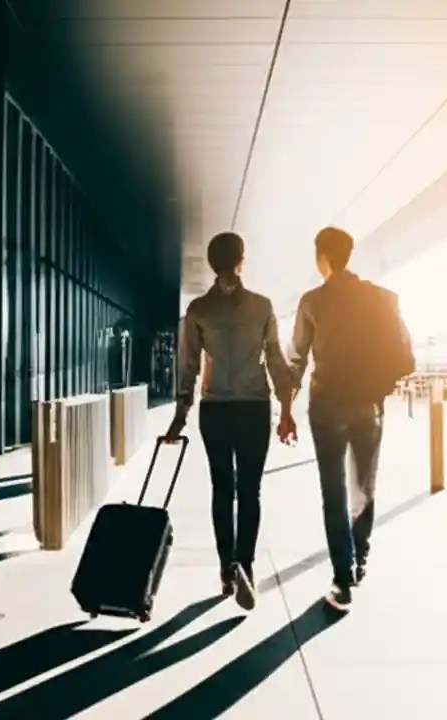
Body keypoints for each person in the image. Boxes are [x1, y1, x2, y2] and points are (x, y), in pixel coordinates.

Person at [282, 226, 414, 612]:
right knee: (363, 484)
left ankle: (342, 577)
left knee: (333, 491)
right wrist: (378, 390)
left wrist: (286, 408)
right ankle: (361, 556)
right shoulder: (383, 299)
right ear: (349, 254)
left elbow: (296, 361)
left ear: (321, 257)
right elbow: (406, 358)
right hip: (367, 406)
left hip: (326, 408)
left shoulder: (312, 302)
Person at [164, 231, 294, 612]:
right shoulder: (262, 306)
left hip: (216, 410)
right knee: (250, 491)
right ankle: (246, 568)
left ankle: (226, 570)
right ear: (242, 259)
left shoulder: (199, 310)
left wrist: (179, 416)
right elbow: (276, 362)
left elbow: (187, 367)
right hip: (254, 408)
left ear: (210, 263)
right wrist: (286, 410)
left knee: (223, 489)